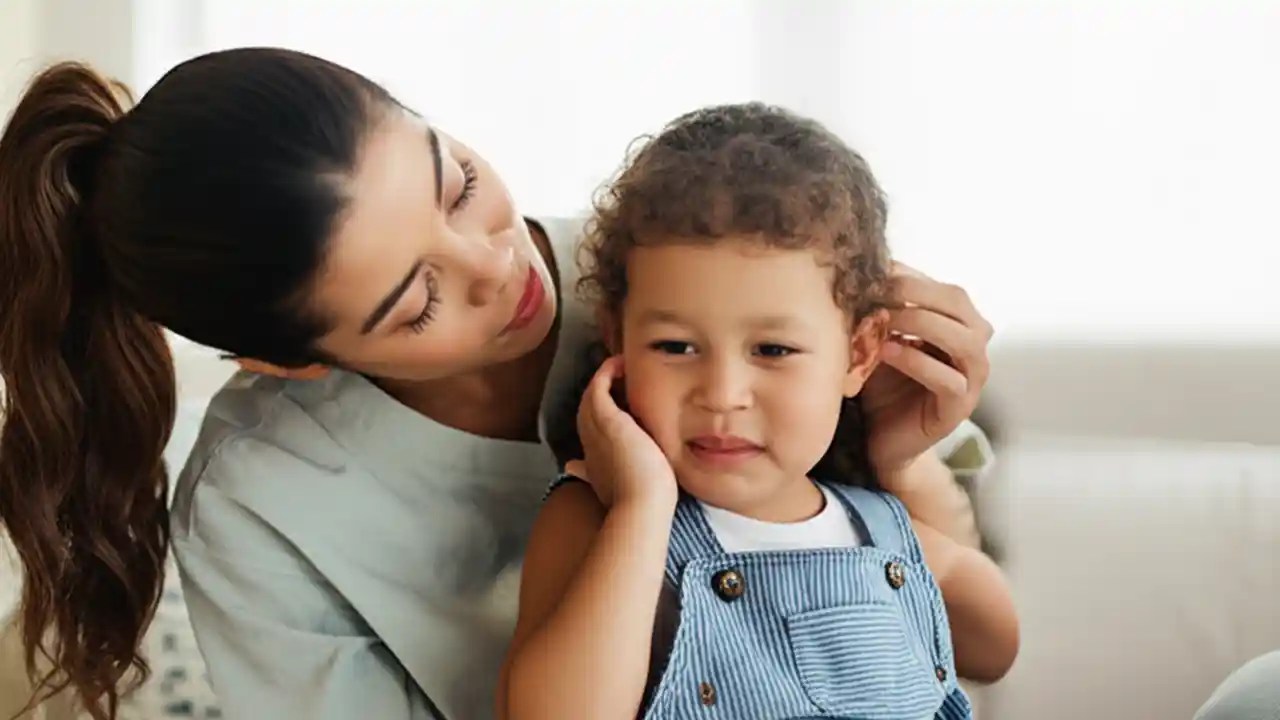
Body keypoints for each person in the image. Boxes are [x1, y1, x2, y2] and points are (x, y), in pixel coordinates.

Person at [0, 48, 998, 720]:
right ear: (290, 362)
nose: (496, 267)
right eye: (416, 300)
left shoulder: (681, 269)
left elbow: (948, 607)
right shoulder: (260, 500)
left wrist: (905, 454)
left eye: (458, 184)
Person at [500, 103, 1018, 720]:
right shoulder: (599, 515)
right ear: (619, 341)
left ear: (859, 354)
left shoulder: (871, 528)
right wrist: (643, 509)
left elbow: (993, 648)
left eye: (773, 350)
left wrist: (900, 467)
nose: (722, 393)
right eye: (675, 347)